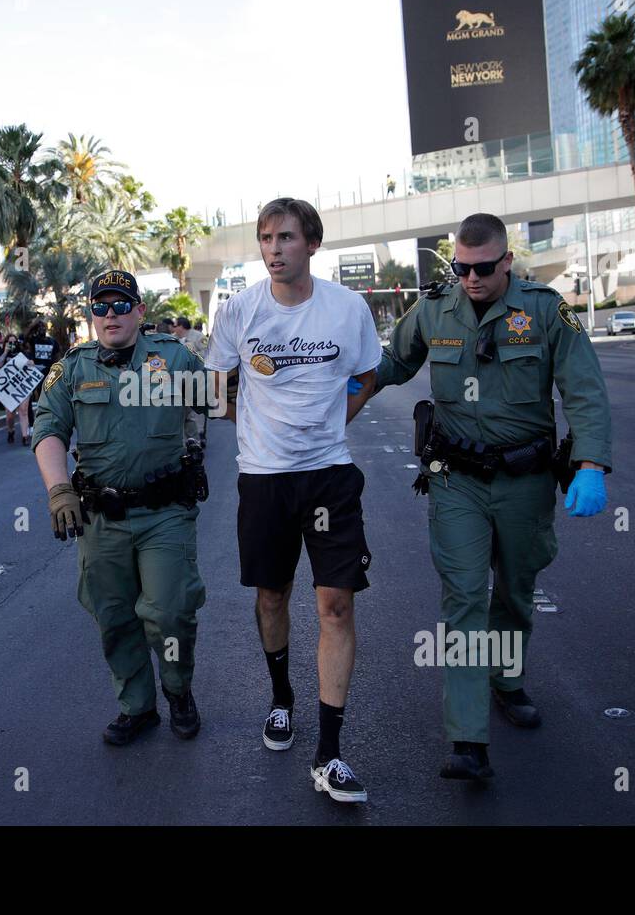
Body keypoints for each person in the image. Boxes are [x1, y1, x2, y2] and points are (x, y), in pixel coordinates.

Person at [374, 212, 612, 781]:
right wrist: (328, 384)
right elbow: (391, 364)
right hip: (456, 480)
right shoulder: (434, 308)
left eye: (483, 267)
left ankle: (506, 680)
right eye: (462, 267)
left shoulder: (548, 311)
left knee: (515, 589)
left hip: (525, 481)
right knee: (463, 599)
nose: (472, 278)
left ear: (507, 261)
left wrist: (591, 465)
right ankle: (467, 738)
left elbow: (584, 388)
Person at [204, 197, 382, 803]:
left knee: (335, 605)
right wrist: (247, 420)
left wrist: (336, 421)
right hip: (263, 479)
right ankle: (282, 697)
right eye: (264, 238)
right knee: (272, 594)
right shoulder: (239, 311)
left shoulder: (347, 308)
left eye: (284, 237)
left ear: (312, 243)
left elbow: (366, 374)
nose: (273, 249)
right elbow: (210, 387)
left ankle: (330, 753)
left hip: (330, 475)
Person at [32, 268, 210, 746]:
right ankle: (138, 706)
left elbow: (218, 404)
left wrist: (196, 446)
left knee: (169, 611)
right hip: (101, 518)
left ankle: (178, 691)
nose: (110, 315)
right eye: (100, 306)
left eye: (120, 304)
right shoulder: (73, 367)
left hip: (165, 512)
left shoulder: (175, 359)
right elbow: (47, 429)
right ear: (91, 314)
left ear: (139, 311)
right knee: (114, 616)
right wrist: (58, 490)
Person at [172, 315, 209, 443]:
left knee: (199, 407)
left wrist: (193, 355)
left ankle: (200, 433)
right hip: (181, 379)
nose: (174, 328)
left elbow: (208, 352)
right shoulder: (173, 339)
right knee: (186, 411)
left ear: (181, 326)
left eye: (175, 325)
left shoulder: (198, 336)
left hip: (197, 376)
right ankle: (191, 439)